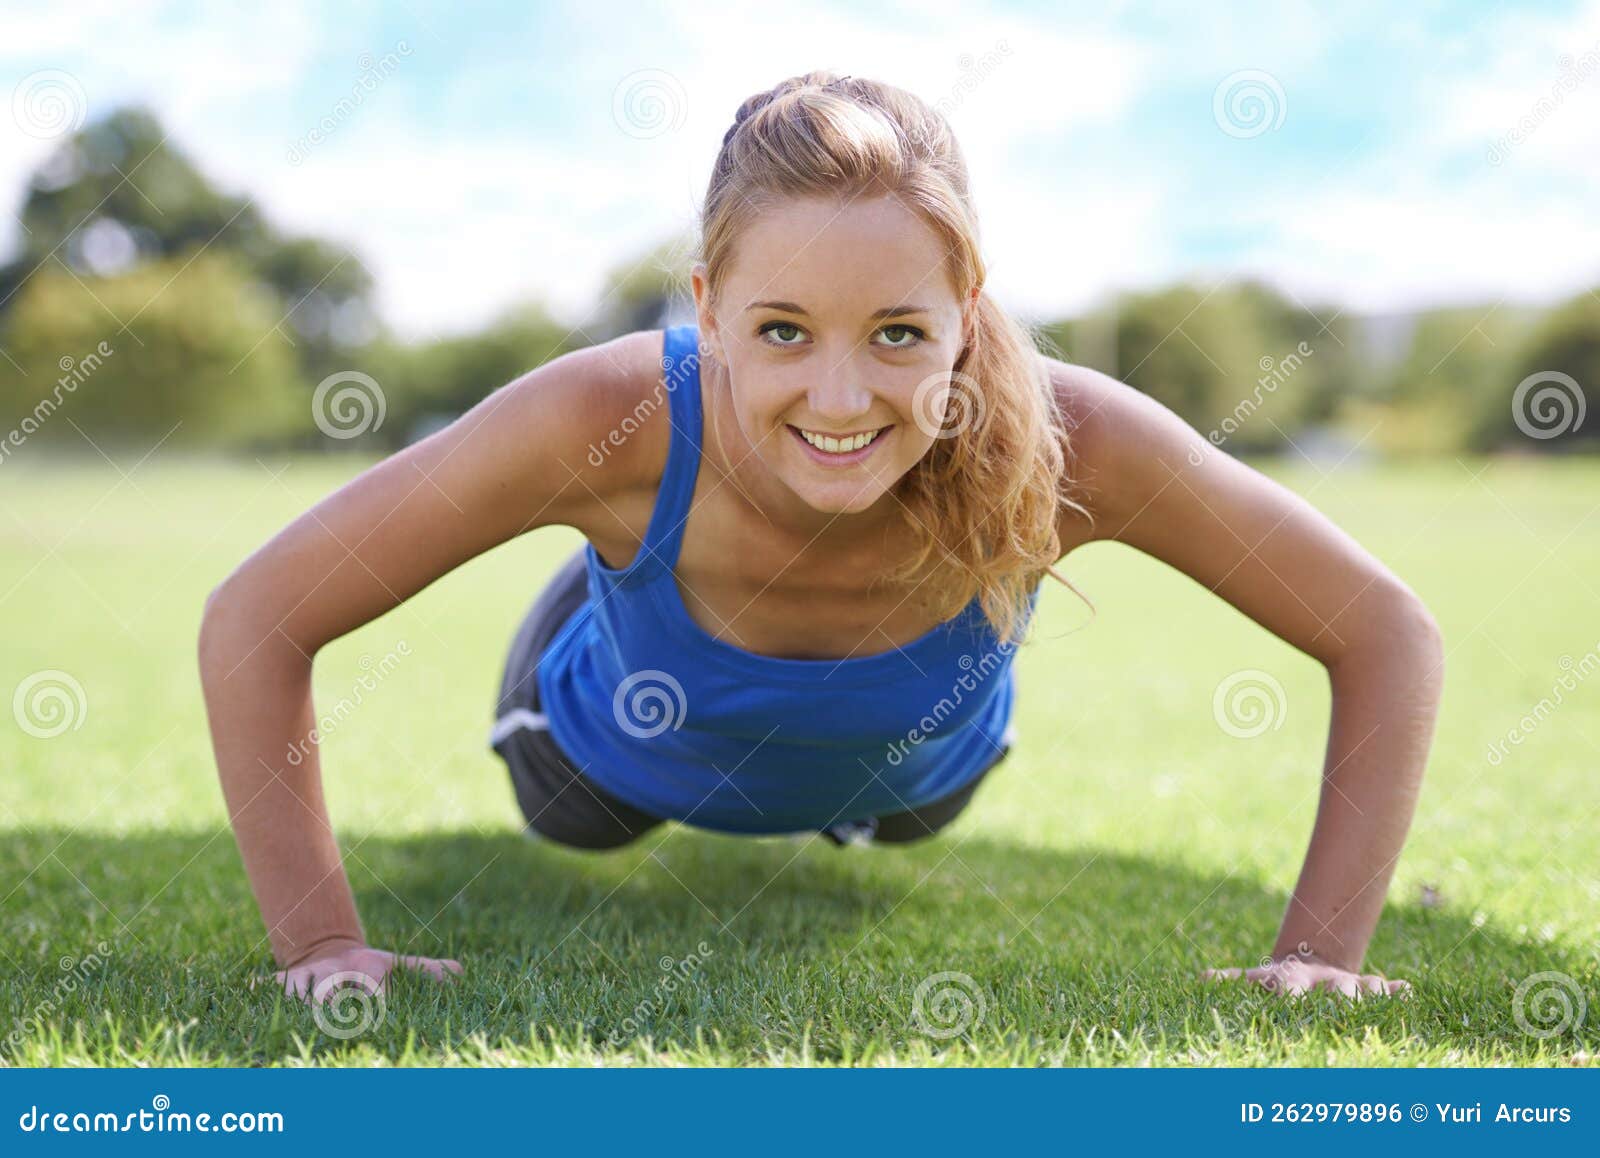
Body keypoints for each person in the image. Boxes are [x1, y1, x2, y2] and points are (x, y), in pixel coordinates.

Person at [198, 71, 1442, 1007]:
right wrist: (322, 944)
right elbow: (258, 617)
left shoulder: (1080, 444)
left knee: (903, 811)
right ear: (706, 309)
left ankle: (848, 777)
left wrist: (1319, 957)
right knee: (579, 821)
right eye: (781, 330)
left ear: (967, 312)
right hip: (609, 746)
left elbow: (1385, 630)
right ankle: (613, 584)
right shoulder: (605, 418)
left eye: (898, 332)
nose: (839, 401)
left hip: (912, 771)